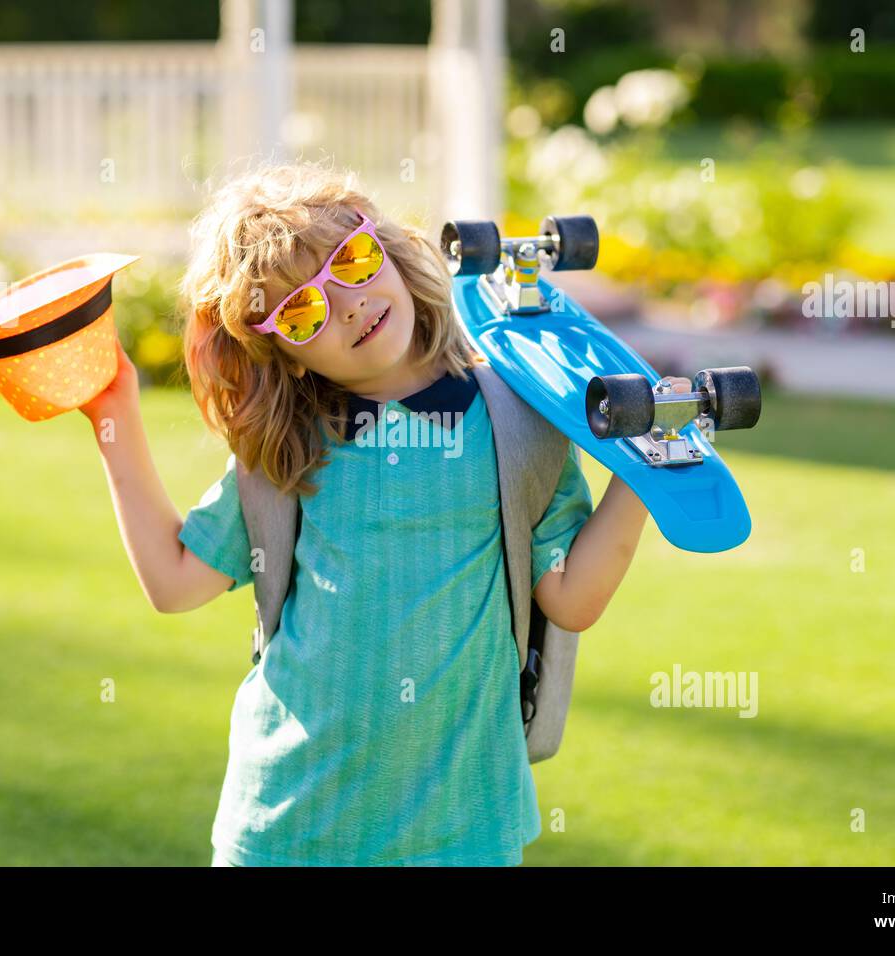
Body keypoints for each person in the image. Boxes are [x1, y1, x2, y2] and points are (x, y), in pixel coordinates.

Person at [80, 161, 650, 866]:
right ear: (281, 353)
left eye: (351, 262)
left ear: (390, 248)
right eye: (303, 311)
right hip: (289, 829)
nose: (347, 304)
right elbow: (173, 582)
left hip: (462, 831)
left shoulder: (516, 423)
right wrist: (114, 416)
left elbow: (571, 594)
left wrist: (647, 466)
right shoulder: (287, 450)